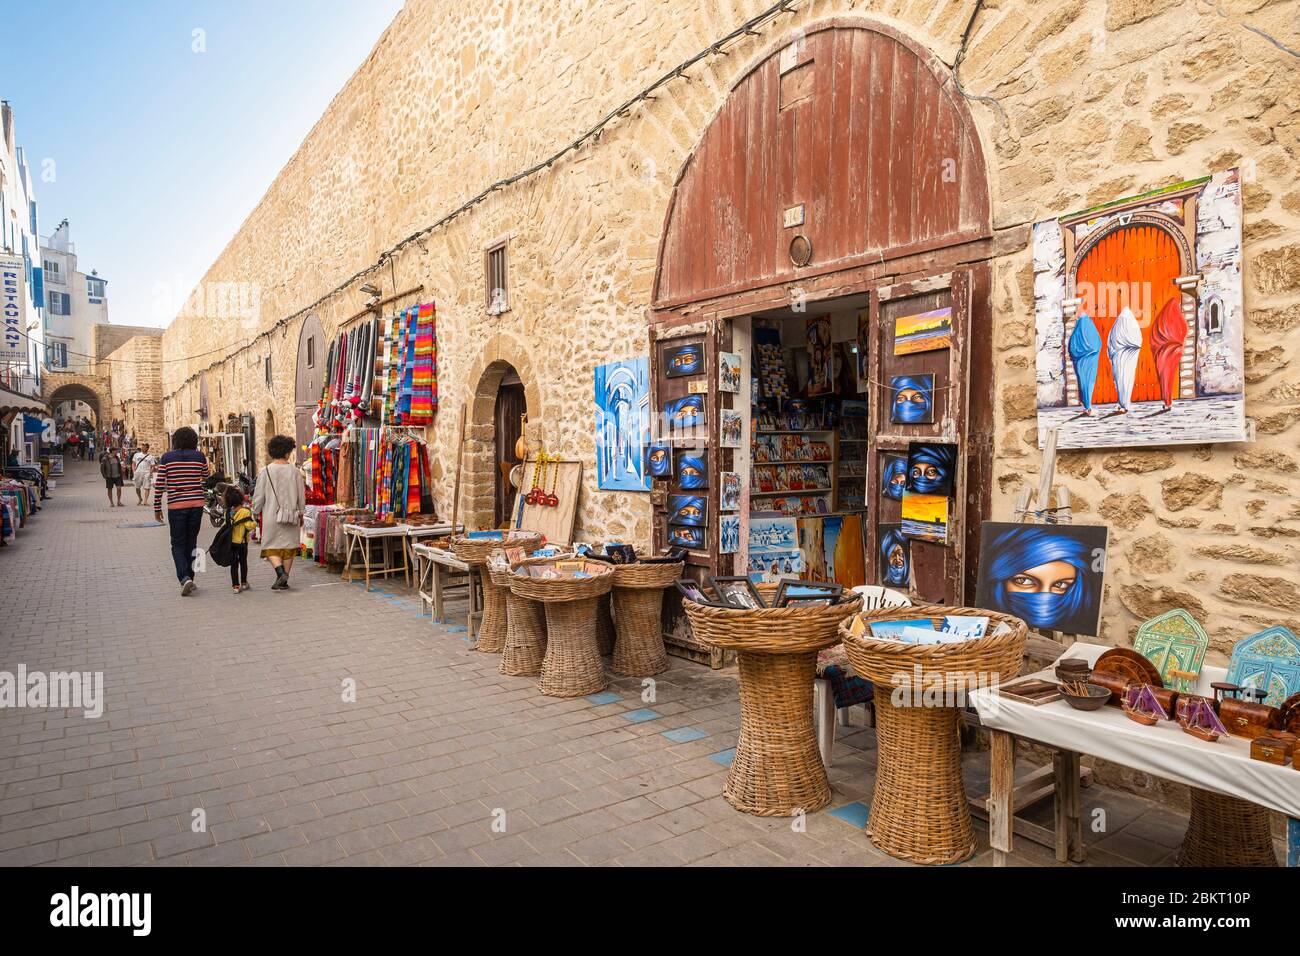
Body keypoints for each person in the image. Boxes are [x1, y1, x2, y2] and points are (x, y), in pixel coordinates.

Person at [154, 426, 210, 596]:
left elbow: (160, 484)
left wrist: (157, 507)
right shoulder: (199, 457)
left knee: (177, 543)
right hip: (196, 505)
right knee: (191, 541)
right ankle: (190, 577)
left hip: (176, 506)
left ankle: (185, 578)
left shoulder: (167, 458)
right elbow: (206, 475)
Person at [252, 434, 306, 591]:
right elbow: (300, 495)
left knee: (270, 546)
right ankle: (284, 578)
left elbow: (259, 494)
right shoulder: (295, 472)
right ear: (287, 452)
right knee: (289, 546)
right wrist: (301, 513)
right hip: (291, 514)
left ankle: (280, 572)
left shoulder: (265, 471)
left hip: (270, 515)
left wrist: (255, 511)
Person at [224, 486, 257, 594]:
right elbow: (249, 526)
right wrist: (255, 523)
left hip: (232, 542)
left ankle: (235, 586)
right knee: (243, 562)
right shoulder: (245, 511)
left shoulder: (228, 512)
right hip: (242, 542)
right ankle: (244, 583)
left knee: (234, 564)